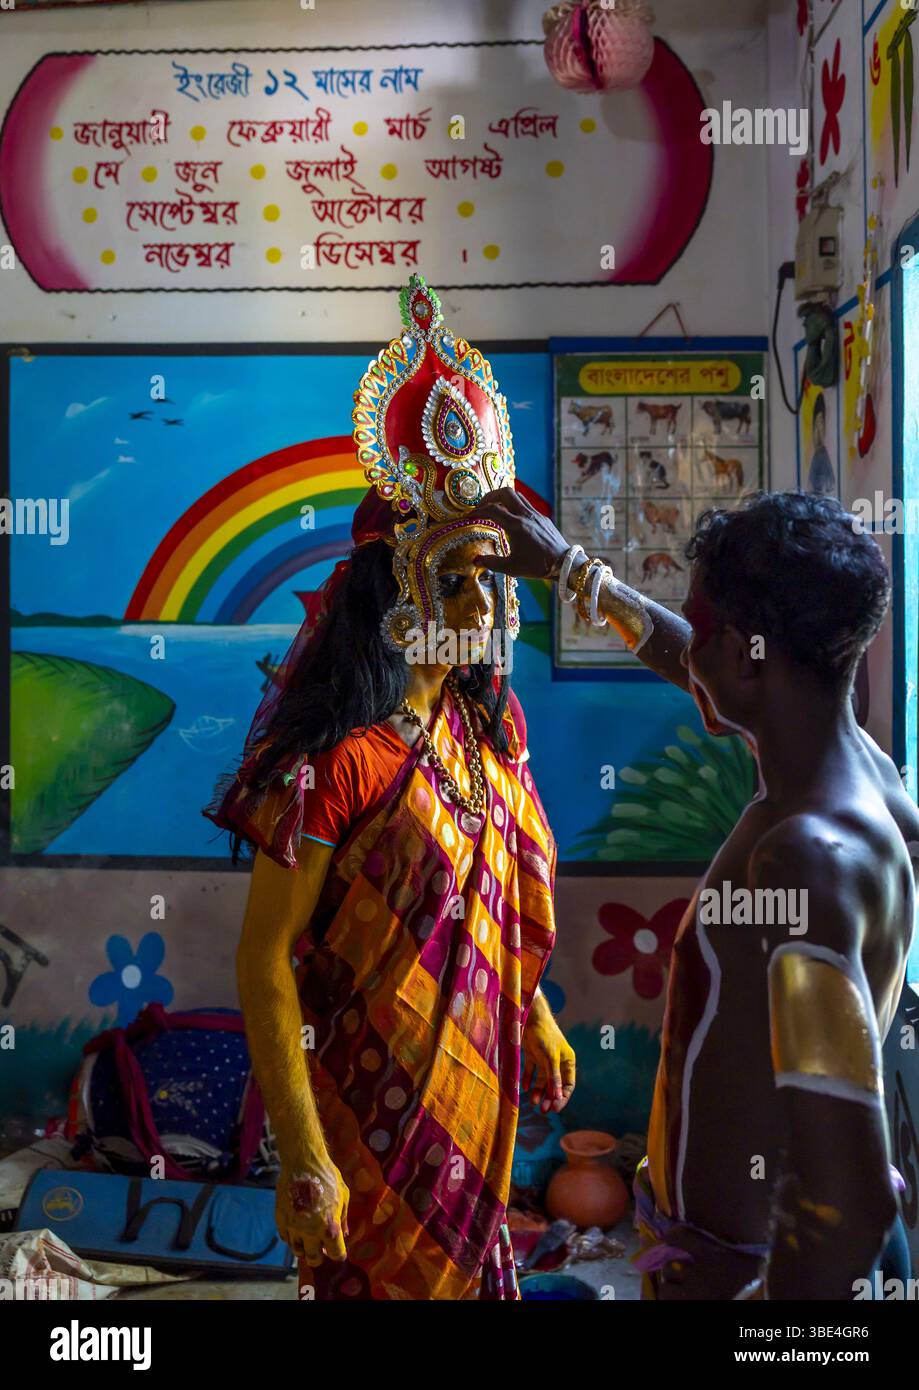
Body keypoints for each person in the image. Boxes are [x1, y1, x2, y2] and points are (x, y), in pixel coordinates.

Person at [202, 276, 573, 1301]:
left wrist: (530, 1009)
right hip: (364, 1115)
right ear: (397, 589)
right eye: (460, 577)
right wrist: (304, 1152)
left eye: (495, 581)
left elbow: (491, 915)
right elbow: (265, 959)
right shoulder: (336, 766)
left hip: (475, 1093)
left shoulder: (489, 738)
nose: (488, 605)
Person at [472, 485, 919, 1300]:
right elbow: (689, 659)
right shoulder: (860, 779)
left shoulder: (804, 855)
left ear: (752, 655)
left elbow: (846, 1200)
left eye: (705, 629)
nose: (692, 652)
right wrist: (574, 572)